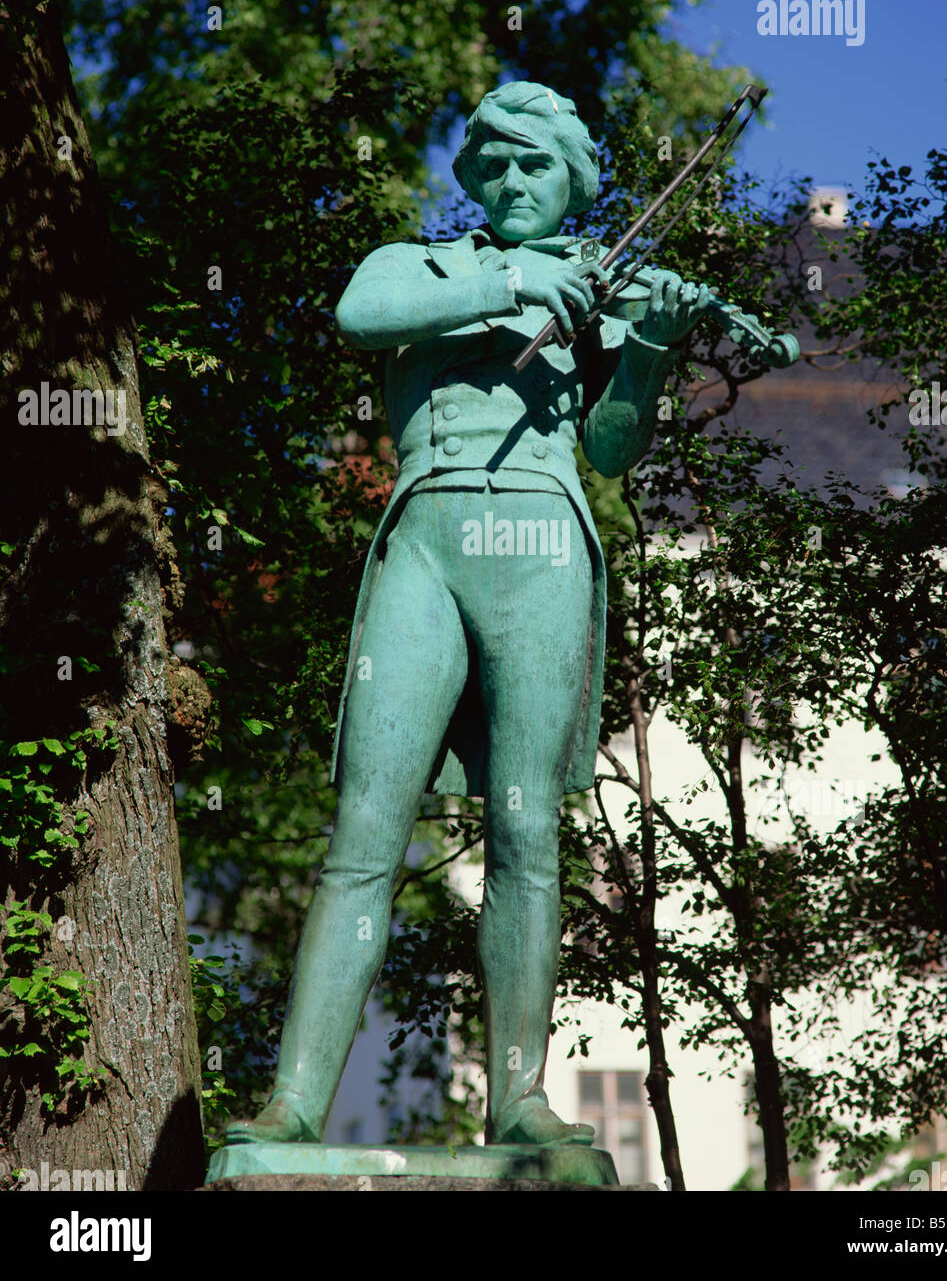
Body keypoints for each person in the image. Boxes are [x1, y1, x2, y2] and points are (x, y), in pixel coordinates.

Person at [228, 81, 710, 1149]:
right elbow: (361, 314)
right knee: (366, 827)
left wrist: (649, 349)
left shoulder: (594, 293)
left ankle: (521, 1102)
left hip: (543, 542)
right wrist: (515, 277)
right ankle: (294, 1100)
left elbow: (615, 448)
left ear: (573, 180)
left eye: (535, 164)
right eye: (492, 164)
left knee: (529, 828)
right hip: (424, 537)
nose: (512, 180)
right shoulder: (422, 267)